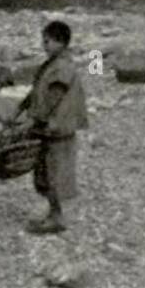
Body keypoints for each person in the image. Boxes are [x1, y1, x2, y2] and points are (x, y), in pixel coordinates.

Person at [17, 20, 88, 235]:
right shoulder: (51, 64)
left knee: (54, 173)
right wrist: (20, 109)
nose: (44, 45)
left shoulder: (63, 67)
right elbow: (37, 91)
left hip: (57, 127)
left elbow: (53, 97)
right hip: (49, 127)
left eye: (47, 41)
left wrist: (35, 119)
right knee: (46, 172)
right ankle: (52, 213)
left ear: (60, 42)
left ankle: (57, 217)